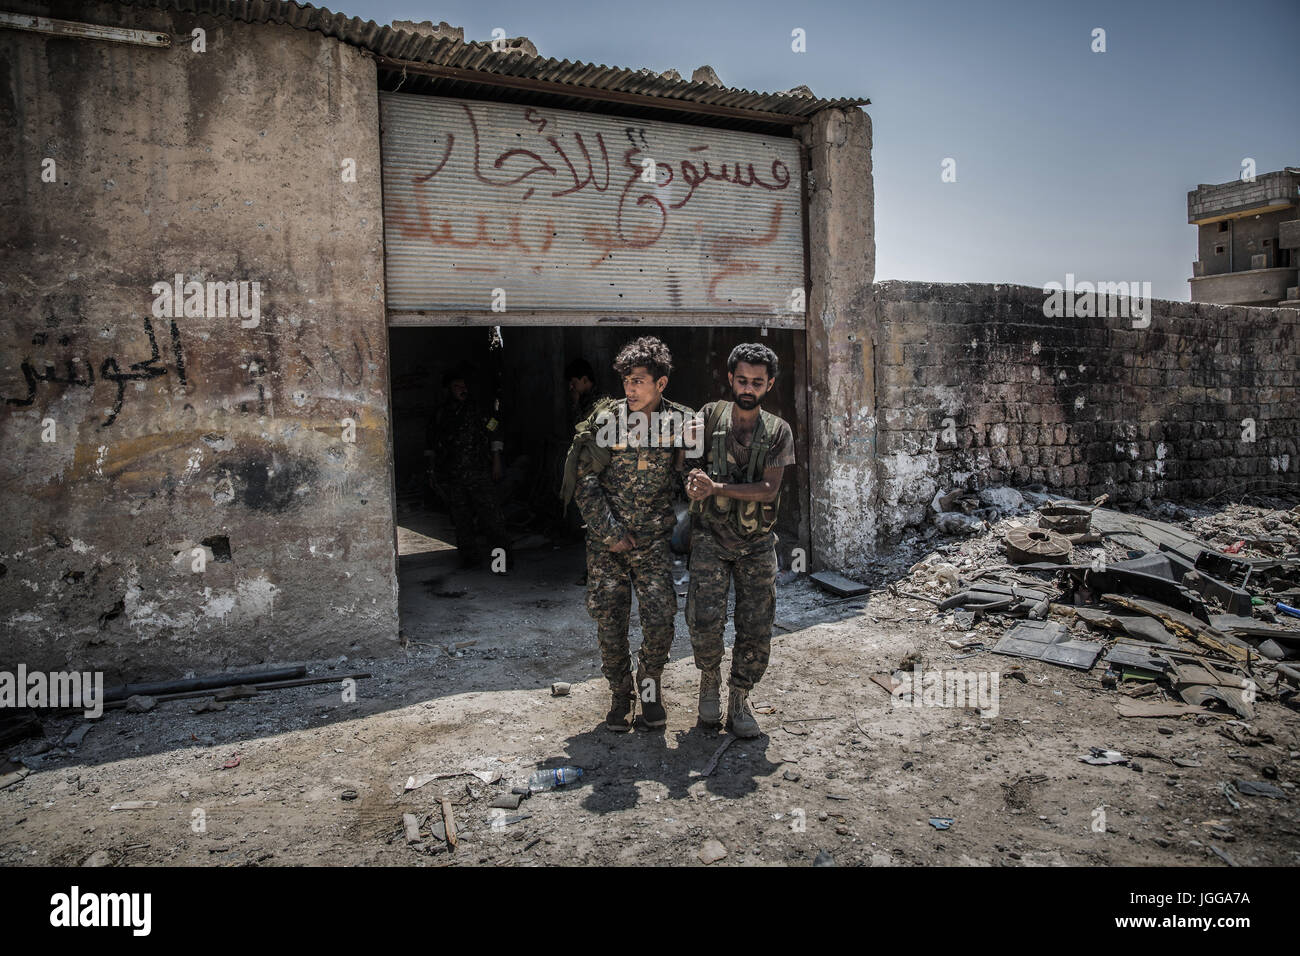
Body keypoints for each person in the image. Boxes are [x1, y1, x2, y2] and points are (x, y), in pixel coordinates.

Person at [569, 337, 693, 732]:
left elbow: (693, 477)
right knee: (610, 621)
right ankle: (620, 693)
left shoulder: (681, 424)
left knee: (660, 617)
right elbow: (584, 484)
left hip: (653, 544)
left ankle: (650, 687)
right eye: (625, 381)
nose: (629, 389)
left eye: (638, 381)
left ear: (661, 383)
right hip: (608, 546)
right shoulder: (607, 422)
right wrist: (611, 533)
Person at [683, 343, 795, 737]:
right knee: (703, 619)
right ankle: (710, 681)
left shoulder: (779, 431)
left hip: (757, 543)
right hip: (711, 539)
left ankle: (740, 696)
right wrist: (696, 483)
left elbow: (768, 489)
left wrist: (716, 487)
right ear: (730, 379)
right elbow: (688, 467)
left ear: (769, 385)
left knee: (756, 624)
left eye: (757, 382)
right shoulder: (708, 418)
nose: (749, 388)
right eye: (742, 380)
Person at [429, 367, 509, 568]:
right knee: (461, 520)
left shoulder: (478, 410)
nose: (462, 390)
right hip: (454, 476)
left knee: (492, 518)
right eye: (457, 387)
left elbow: (494, 431)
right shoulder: (442, 414)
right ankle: (470, 560)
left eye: (464, 386)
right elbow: (432, 442)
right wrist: (433, 470)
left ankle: (501, 560)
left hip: (479, 472)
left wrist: (497, 459)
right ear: (449, 390)